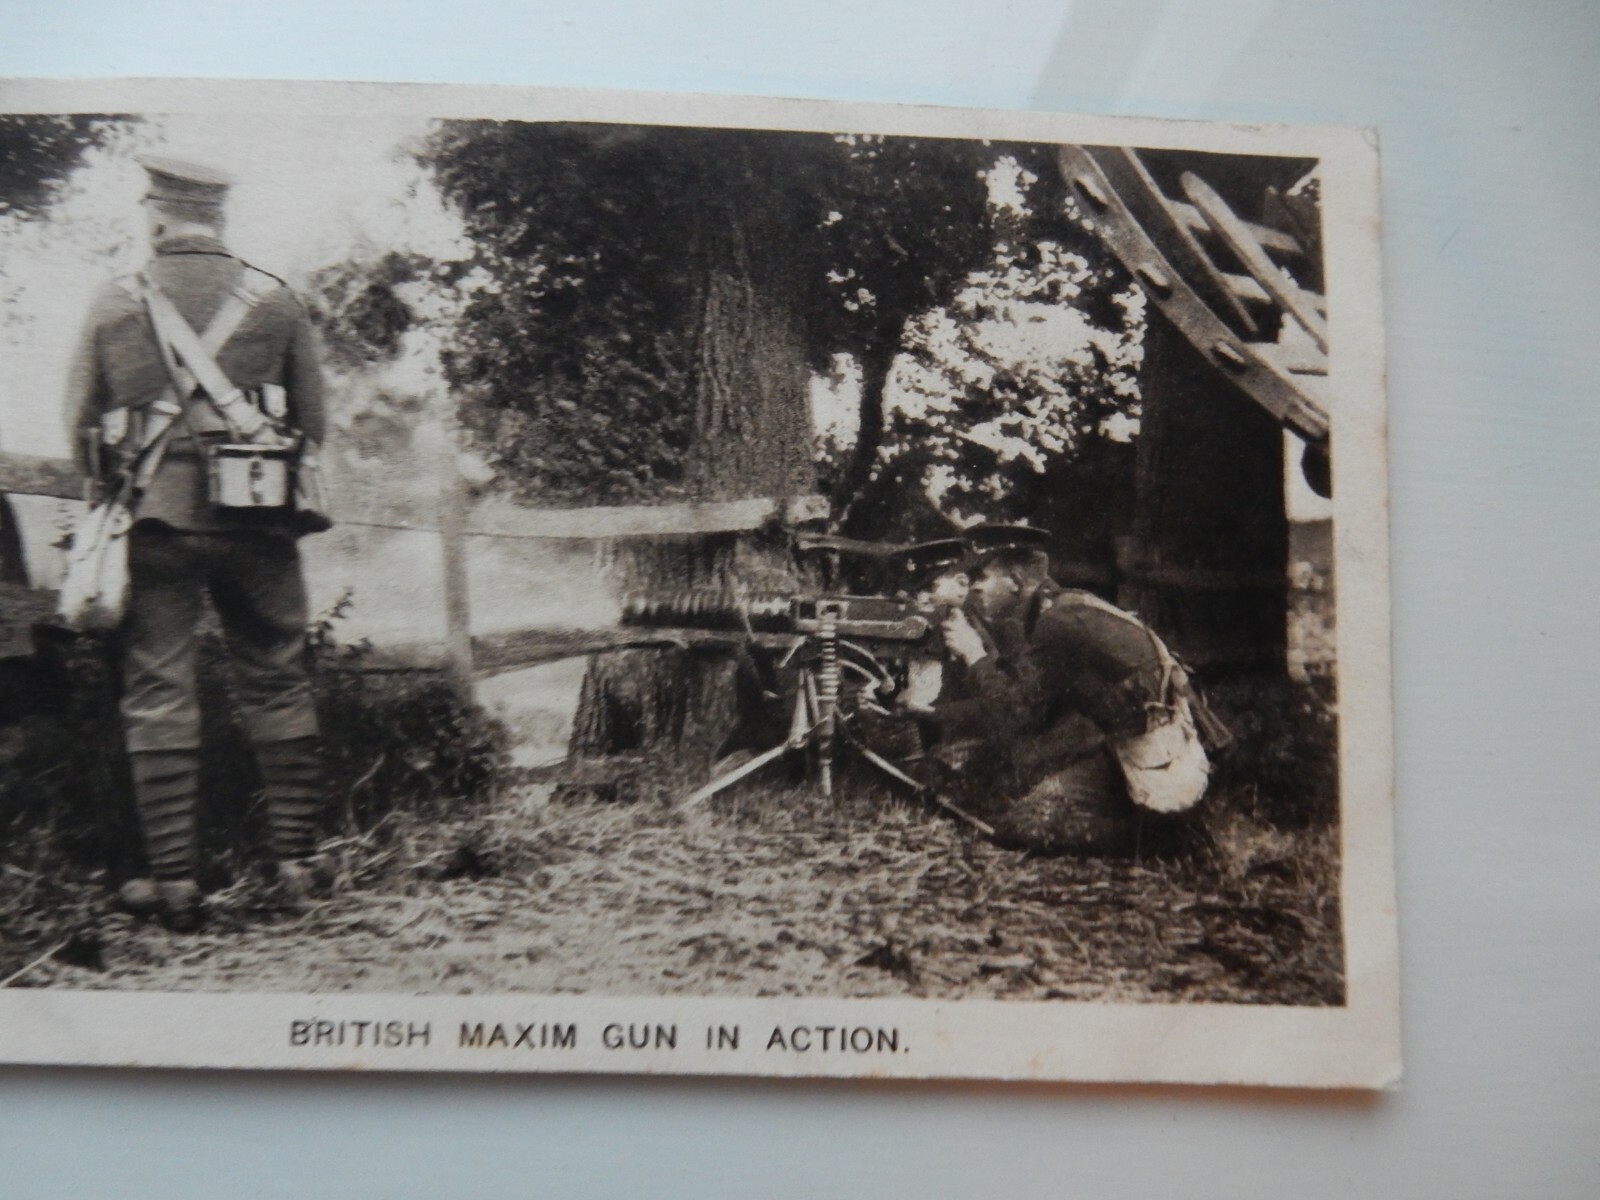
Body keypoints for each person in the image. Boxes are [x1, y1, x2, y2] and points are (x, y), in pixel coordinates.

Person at [63, 155, 331, 929]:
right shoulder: (276, 300)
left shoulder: (114, 301)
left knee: (157, 688)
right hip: (260, 523)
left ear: (155, 215)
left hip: (155, 523)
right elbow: (313, 424)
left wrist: (113, 491)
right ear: (219, 218)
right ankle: (297, 866)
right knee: (279, 677)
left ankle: (175, 884)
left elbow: (79, 428)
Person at [906, 525, 1213, 854]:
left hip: (1156, 751)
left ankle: (1169, 838)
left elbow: (1017, 713)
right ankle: (1156, 824)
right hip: (1126, 739)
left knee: (1023, 826)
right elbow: (1031, 704)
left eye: (982, 577)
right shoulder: (1060, 609)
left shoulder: (1059, 623)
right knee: (1008, 784)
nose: (974, 588)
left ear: (1015, 581)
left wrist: (974, 656)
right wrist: (939, 714)